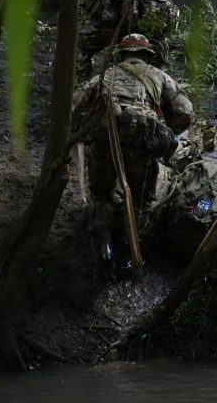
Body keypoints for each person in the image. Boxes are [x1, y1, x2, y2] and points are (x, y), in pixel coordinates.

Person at [73, 33, 193, 277]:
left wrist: (79, 131)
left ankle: (104, 251)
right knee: (138, 196)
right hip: (142, 141)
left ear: (123, 54)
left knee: (101, 192)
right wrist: (169, 129)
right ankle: (127, 254)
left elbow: (74, 103)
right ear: (147, 55)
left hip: (107, 136)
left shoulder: (106, 74)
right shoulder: (159, 76)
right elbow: (185, 111)